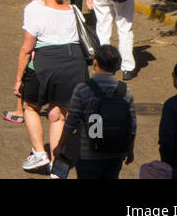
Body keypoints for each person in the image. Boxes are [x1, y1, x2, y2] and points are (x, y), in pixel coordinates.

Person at [14, 0, 88, 173]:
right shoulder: (74, 10)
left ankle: (39, 153)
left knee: (30, 107)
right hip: (74, 67)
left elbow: (26, 49)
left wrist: (19, 79)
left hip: (46, 65)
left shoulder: (38, 14)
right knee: (57, 114)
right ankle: (56, 164)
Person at [58, 44, 136, 179]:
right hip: (116, 152)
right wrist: (130, 149)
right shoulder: (125, 90)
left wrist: (60, 145)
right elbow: (132, 124)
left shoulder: (83, 89)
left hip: (90, 153)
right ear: (117, 66)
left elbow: (71, 122)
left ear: (95, 63)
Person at [5, 0, 42, 128]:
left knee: (24, 76)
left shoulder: (31, 8)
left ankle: (20, 111)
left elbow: (29, 34)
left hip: (35, 47)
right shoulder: (45, 4)